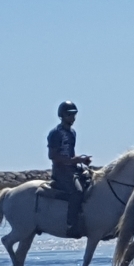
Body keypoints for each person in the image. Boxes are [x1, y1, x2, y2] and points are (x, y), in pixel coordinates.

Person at [47, 101, 92, 238]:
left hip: (72, 169)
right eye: (69, 115)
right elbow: (53, 156)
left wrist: (82, 160)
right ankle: (71, 225)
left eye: (74, 115)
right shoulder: (55, 133)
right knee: (77, 191)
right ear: (62, 116)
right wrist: (73, 161)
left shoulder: (72, 133)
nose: (72, 118)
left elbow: (70, 154)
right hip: (61, 172)